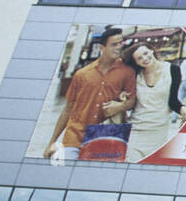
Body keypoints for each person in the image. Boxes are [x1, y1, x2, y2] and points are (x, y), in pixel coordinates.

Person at [44, 27, 137, 159]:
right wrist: (52, 142)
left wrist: (120, 106)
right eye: (114, 44)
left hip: (104, 136)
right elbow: (68, 109)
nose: (119, 47)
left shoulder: (127, 72)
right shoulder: (82, 74)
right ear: (102, 48)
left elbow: (132, 101)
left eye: (120, 43)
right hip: (75, 136)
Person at [121, 43, 186, 162]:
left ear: (152, 51)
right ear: (136, 62)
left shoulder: (173, 70)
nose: (145, 59)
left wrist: (182, 109)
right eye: (139, 58)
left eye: (146, 53)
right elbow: (130, 100)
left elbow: (172, 101)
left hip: (158, 133)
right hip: (135, 131)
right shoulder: (136, 74)